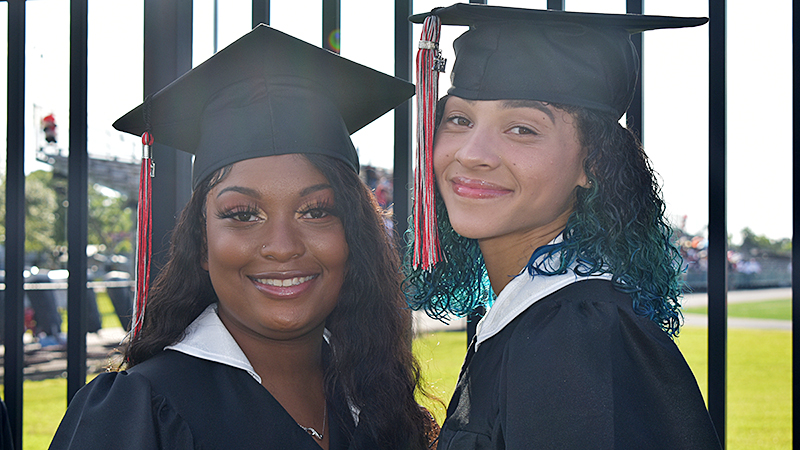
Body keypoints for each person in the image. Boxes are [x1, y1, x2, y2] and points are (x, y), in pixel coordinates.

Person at [50, 25, 436, 450]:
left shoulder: (377, 398)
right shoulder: (139, 413)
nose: (283, 244)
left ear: (353, 236)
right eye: (243, 214)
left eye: (317, 211)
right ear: (201, 243)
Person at [404, 4, 722, 449]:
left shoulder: (574, 335)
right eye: (459, 119)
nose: (472, 153)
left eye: (521, 129)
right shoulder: (534, 318)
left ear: (592, 164)